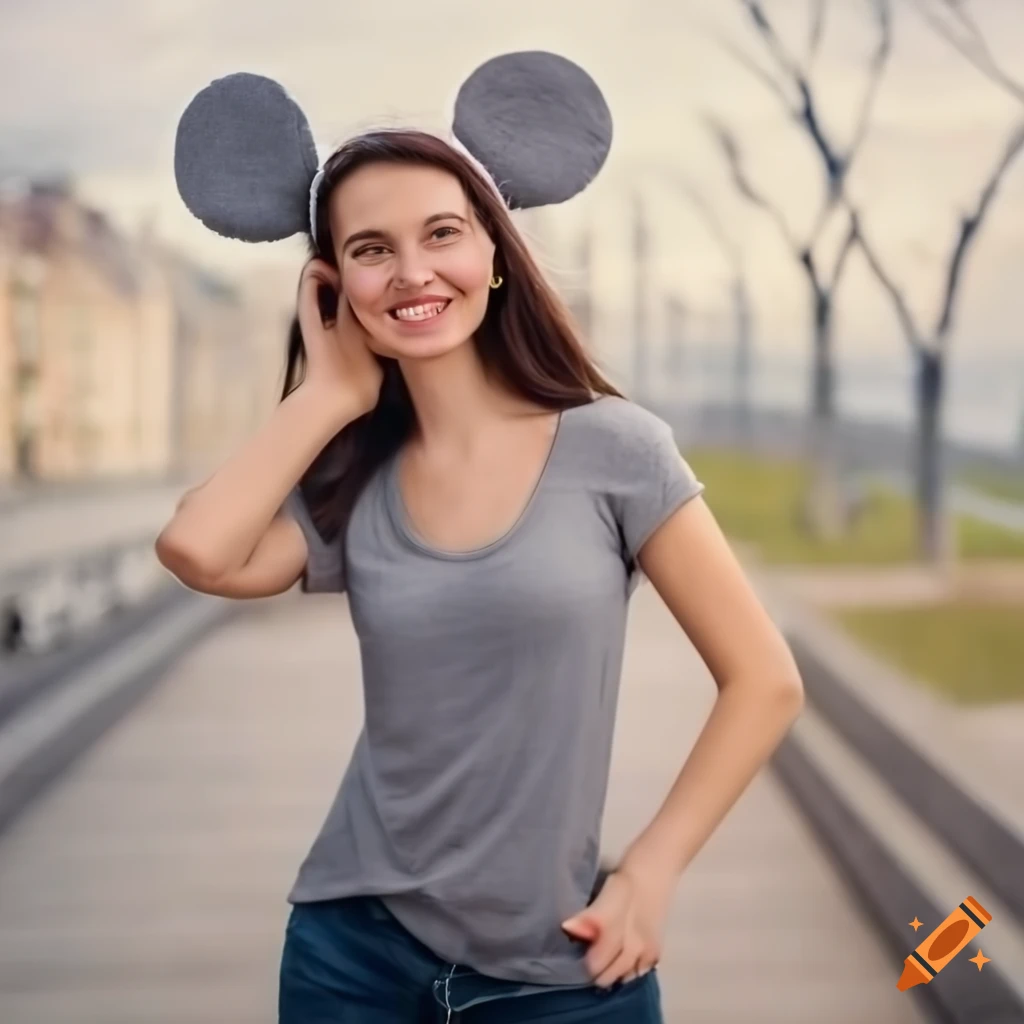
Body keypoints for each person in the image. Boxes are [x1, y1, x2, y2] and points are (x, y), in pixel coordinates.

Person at [158, 55, 805, 1023]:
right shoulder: (352, 481)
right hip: (350, 955)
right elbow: (198, 550)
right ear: (332, 283)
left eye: (443, 234)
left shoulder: (615, 450)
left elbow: (765, 680)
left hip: (561, 968)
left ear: (497, 253)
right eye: (371, 249)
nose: (412, 272)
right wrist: (328, 393)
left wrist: (653, 870)